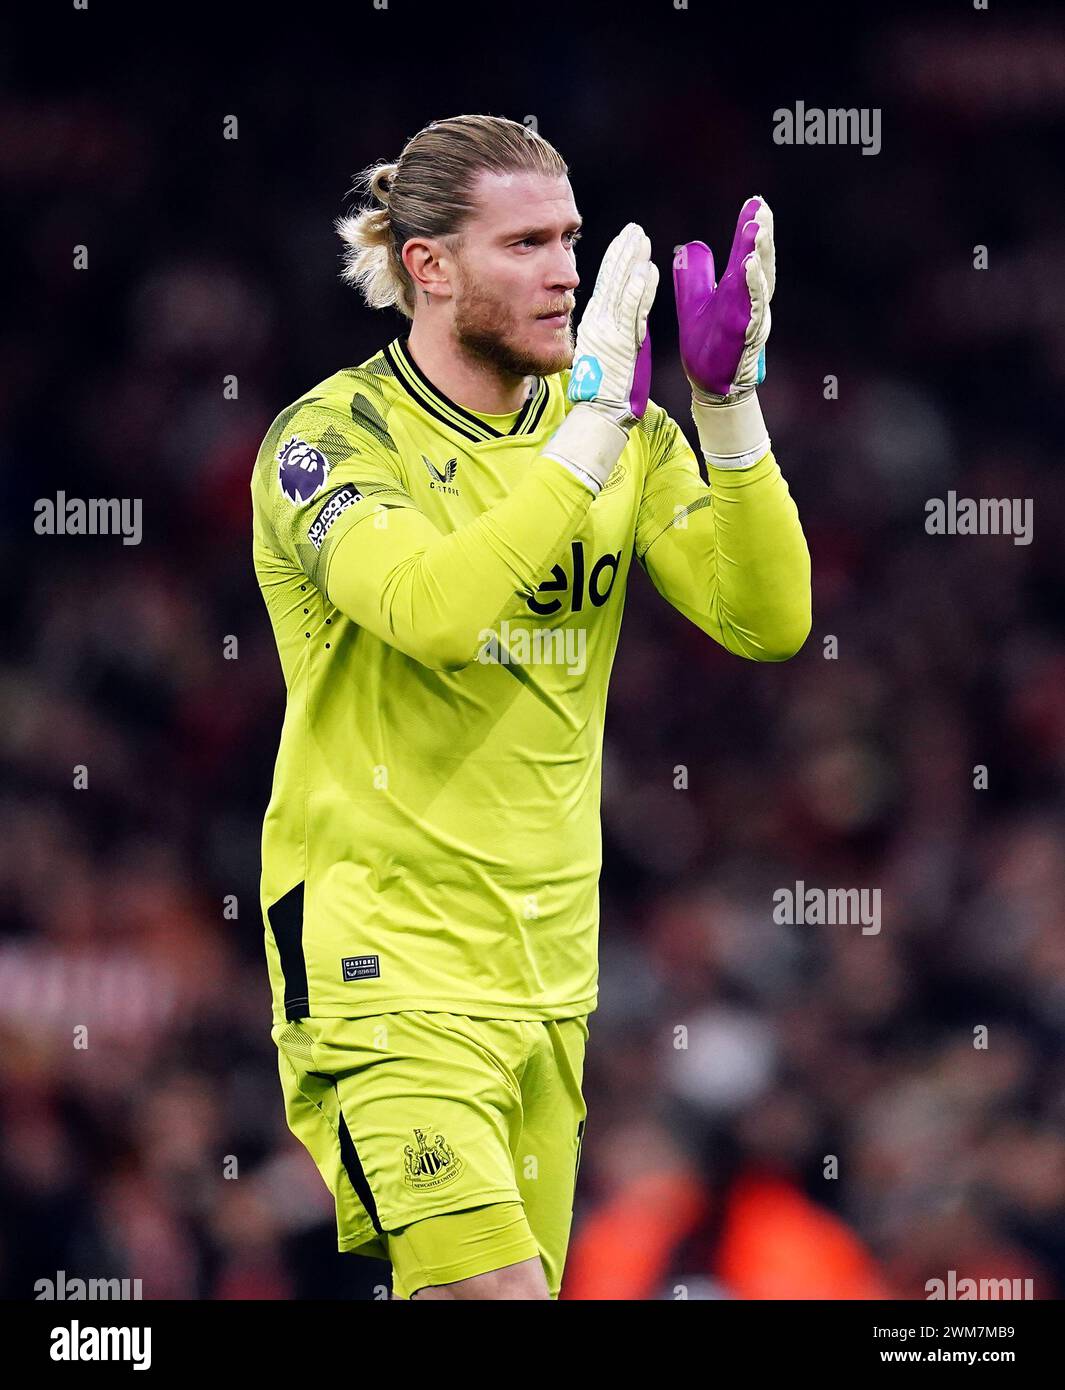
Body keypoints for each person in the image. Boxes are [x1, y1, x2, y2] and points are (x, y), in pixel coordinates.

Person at [250, 113, 811, 1300]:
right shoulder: (329, 441)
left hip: (550, 971)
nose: (567, 270)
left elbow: (768, 619)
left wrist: (729, 409)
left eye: (572, 237)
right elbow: (429, 607)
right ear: (428, 265)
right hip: (381, 956)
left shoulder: (607, 428)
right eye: (525, 244)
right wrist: (600, 427)